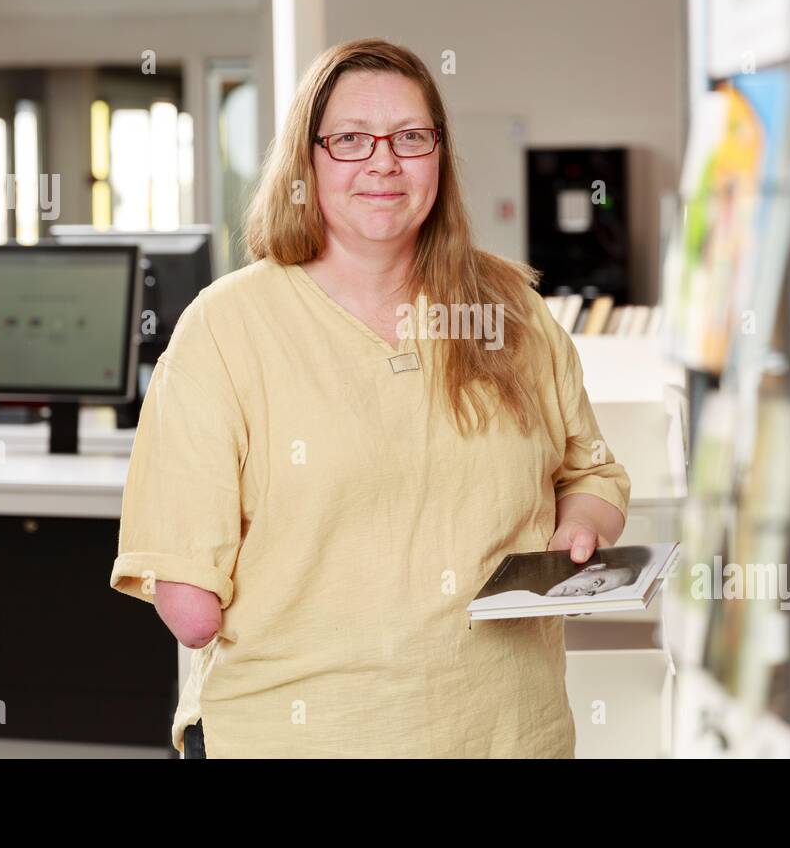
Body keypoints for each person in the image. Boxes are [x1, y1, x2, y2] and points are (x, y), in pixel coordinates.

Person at [109, 37, 631, 758]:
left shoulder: (511, 309)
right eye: (351, 139)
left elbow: (593, 473)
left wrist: (582, 526)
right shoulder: (225, 329)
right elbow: (189, 610)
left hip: (508, 735)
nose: (383, 161)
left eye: (411, 138)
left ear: (440, 158)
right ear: (307, 160)